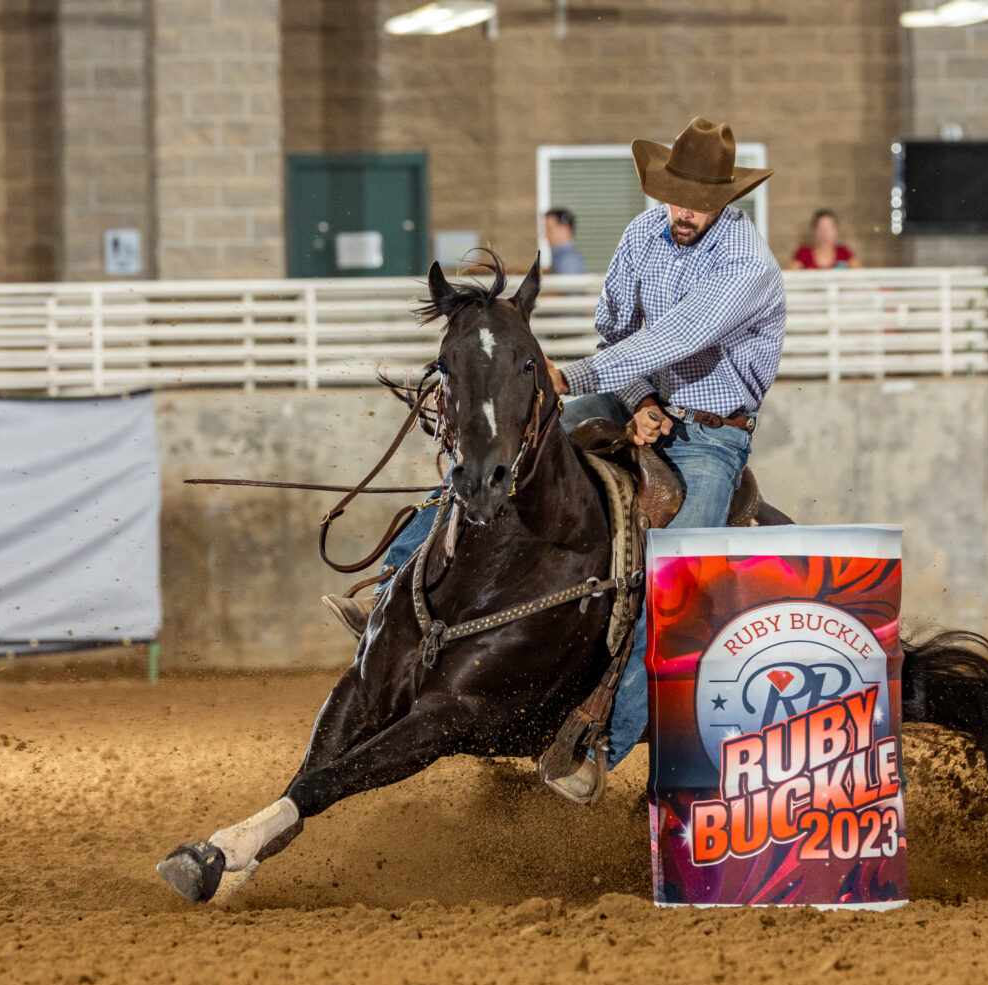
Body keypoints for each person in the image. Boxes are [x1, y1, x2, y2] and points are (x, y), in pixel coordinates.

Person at [322, 117, 785, 803]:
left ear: (726, 200)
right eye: (675, 197)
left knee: (676, 580)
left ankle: (597, 737)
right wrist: (635, 400)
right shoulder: (641, 236)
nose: (684, 212)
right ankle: (395, 590)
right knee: (510, 449)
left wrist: (579, 376)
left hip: (713, 434)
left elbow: (685, 331)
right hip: (632, 401)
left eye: (699, 202)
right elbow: (619, 329)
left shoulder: (746, 263)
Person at [789, 209, 862, 270]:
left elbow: (860, 275)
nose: (825, 232)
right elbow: (791, 277)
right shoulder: (803, 253)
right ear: (814, 230)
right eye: (821, 227)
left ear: (835, 230)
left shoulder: (843, 252)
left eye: (829, 228)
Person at [543, 208, 586, 274]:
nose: (545, 234)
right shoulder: (561, 258)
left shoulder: (568, 260)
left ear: (565, 230)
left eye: (549, 229)